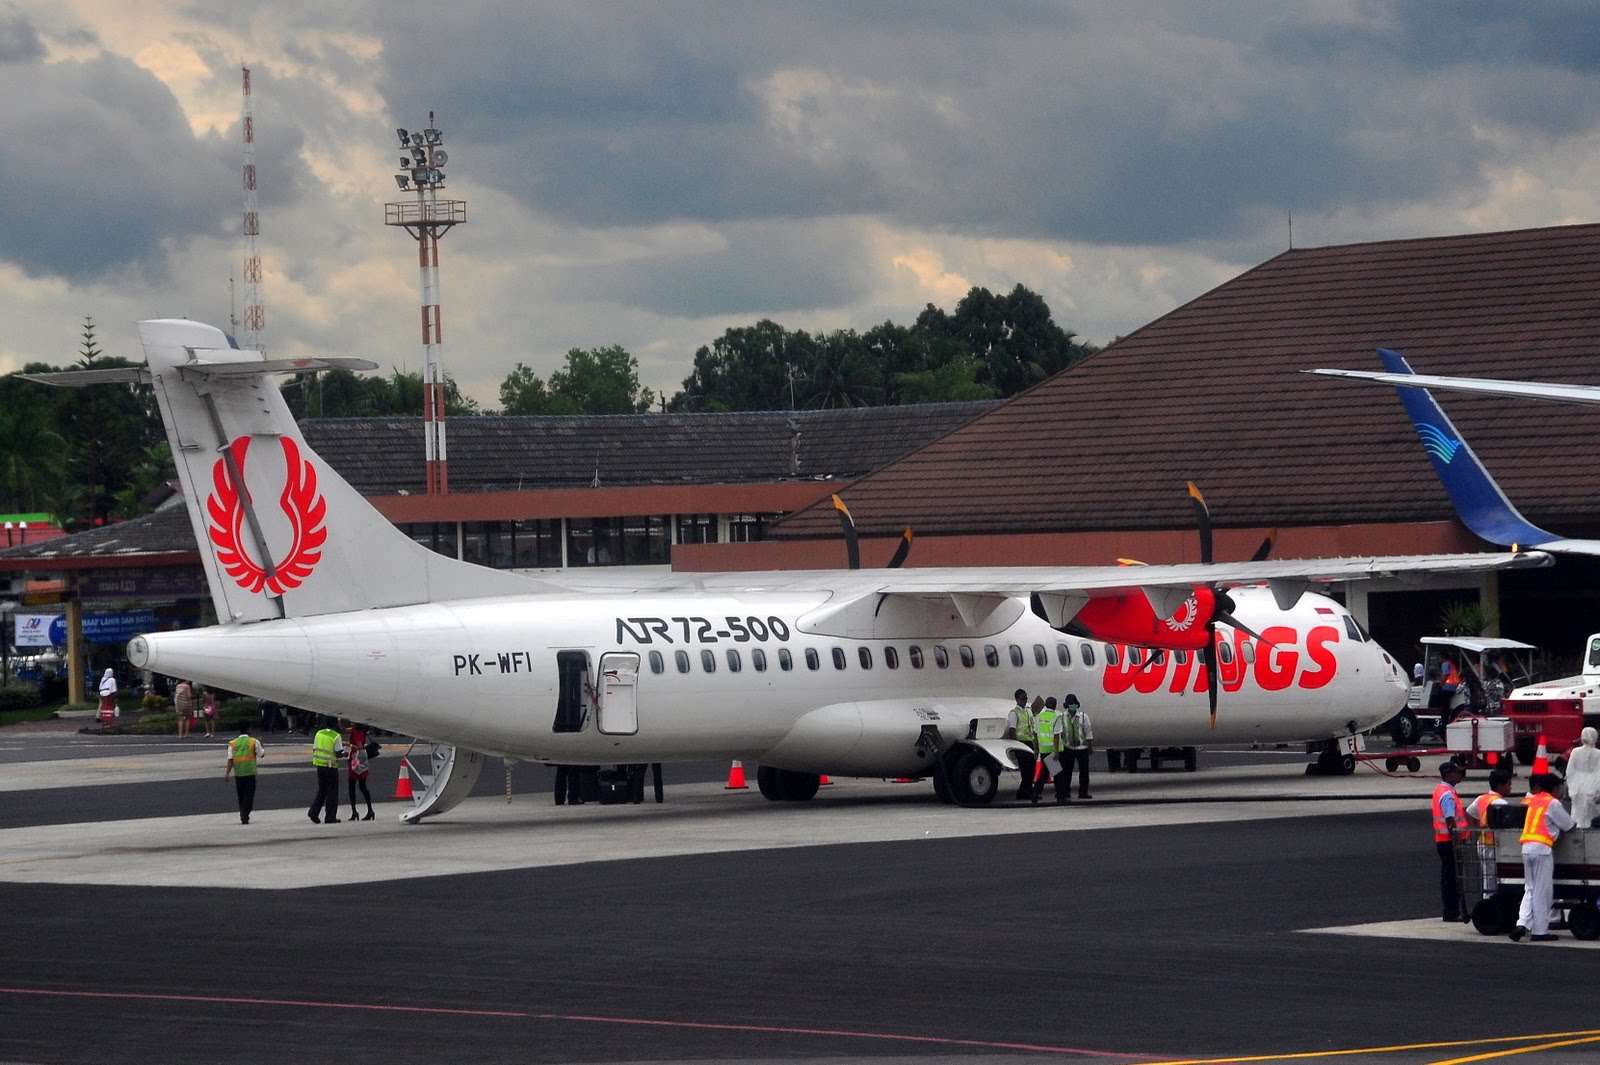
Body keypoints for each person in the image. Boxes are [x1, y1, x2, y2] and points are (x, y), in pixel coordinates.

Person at [1510, 772, 1577, 942]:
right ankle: (1540, 931)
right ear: (1555, 788)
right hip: (1542, 849)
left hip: (1526, 847)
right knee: (1543, 891)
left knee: (1530, 889)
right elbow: (1569, 825)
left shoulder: (1534, 800)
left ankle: (1522, 923)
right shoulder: (1552, 803)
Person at [1464, 767, 1515, 898]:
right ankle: (1490, 901)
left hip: (1482, 842)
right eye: (1508, 784)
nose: (1510, 788)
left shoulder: (1482, 798)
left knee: (1488, 876)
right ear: (1500, 785)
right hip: (1494, 844)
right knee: (1493, 878)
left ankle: (1489, 899)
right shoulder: (1501, 803)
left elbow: (1469, 813)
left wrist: (1476, 830)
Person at [1431, 761, 1466, 921]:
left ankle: (1451, 911)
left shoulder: (1441, 791)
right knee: (1452, 878)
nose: (1460, 775)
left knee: (1448, 877)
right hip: (1449, 842)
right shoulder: (1447, 795)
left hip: (1443, 840)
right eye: (1457, 772)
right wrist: (1457, 841)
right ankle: (1452, 912)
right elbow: (1451, 821)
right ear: (1448, 775)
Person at [224, 721, 264, 824]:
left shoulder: (233, 743)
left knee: (241, 795)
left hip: (238, 773)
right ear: (248, 729)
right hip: (250, 772)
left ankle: (243, 812)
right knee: (249, 796)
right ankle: (245, 813)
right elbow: (261, 754)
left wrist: (227, 773)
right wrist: (260, 743)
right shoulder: (253, 741)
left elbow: (230, 759)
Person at [307, 719, 346, 824]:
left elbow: (314, 748)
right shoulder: (336, 736)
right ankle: (330, 816)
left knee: (322, 790)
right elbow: (338, 753)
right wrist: (345, 754)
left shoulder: (319, 733)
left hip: (319, 764)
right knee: (332, 792)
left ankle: (314, 811)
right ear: (335, 724)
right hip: (330, 766)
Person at [1003, 688, 1037, 802]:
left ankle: (1026, 791)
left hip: (1029, 742)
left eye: (1026, 698)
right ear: (1017, 699)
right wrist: (1015, 745)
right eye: (1023, 699)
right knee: (1025, 770)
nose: (1025, 701)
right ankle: (1024, 792)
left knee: (1031, 769)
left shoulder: (1028, 711)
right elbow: (1012, 730)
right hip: (1021, 743)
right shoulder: (1014, 713)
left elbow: (1032, 726)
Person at [1061, 694, 1094, 800]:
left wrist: (1090, 747)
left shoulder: (1083, 717)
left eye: (1074, 704)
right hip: (1068, 748)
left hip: (1082, 748)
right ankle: (1066, 792)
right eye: (1071, 704)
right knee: (1067, 772)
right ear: (1067, 705)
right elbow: (1060, 733)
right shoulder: (1062, 717)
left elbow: (1088, 732)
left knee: (1084, 772)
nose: (1073, 706)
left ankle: (1083, 792)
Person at [1566, 727, 1600, 828]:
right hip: (1593, 789)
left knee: (1577, 816)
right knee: (1590, 818)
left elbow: (1570, 771)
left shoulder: (1575, 752)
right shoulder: (1598, 753)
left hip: (1578, 789)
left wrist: (1572, 788)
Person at [1033, 696, 1062, 803]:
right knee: (1057, 774)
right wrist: (1056, 751)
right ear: (1055, 706)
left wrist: (1036, 750)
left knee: (1044, 773)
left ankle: (1036, 792)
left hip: (1043, 749)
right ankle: (1060, 796)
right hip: (1052, 750)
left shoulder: (1038, 717)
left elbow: (1035, 735)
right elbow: (1056, 736)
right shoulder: (1056, 717)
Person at [346, 721, 376, 821]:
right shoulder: (356, 730)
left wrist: (348, 745)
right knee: (362, 786)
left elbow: (359, 747)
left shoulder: (357, 733)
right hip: (360, 760)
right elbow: (343, 730)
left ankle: (355, 811)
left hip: (356, 760)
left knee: (354, 787)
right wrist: (339, 721)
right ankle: (368, 810)